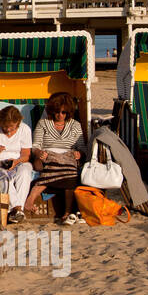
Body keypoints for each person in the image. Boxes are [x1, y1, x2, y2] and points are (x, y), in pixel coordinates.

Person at [28, 92, 87, 224]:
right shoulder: (43, 124)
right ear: (52, 110)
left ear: (69, 112)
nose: (60, 115)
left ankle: (67, 211)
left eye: (64, 112)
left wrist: (80, 154)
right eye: (57, 112)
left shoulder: (75, 125)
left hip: (68, 156)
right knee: (60, 167)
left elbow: (83, 148)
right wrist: (39, 153)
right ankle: (30, 201)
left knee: (70, 170)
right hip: (49, 155)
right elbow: (35, 146)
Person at [0, 105, 34, 224]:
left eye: (12, 127)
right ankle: (18, 209)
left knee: (25, 172)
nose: (9, 130)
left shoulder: (24, 129)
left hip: (18, 161)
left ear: (18, 123)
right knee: (4, 176)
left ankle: (15, 211)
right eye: (5, 127)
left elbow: (26, 154)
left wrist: (16, 162)